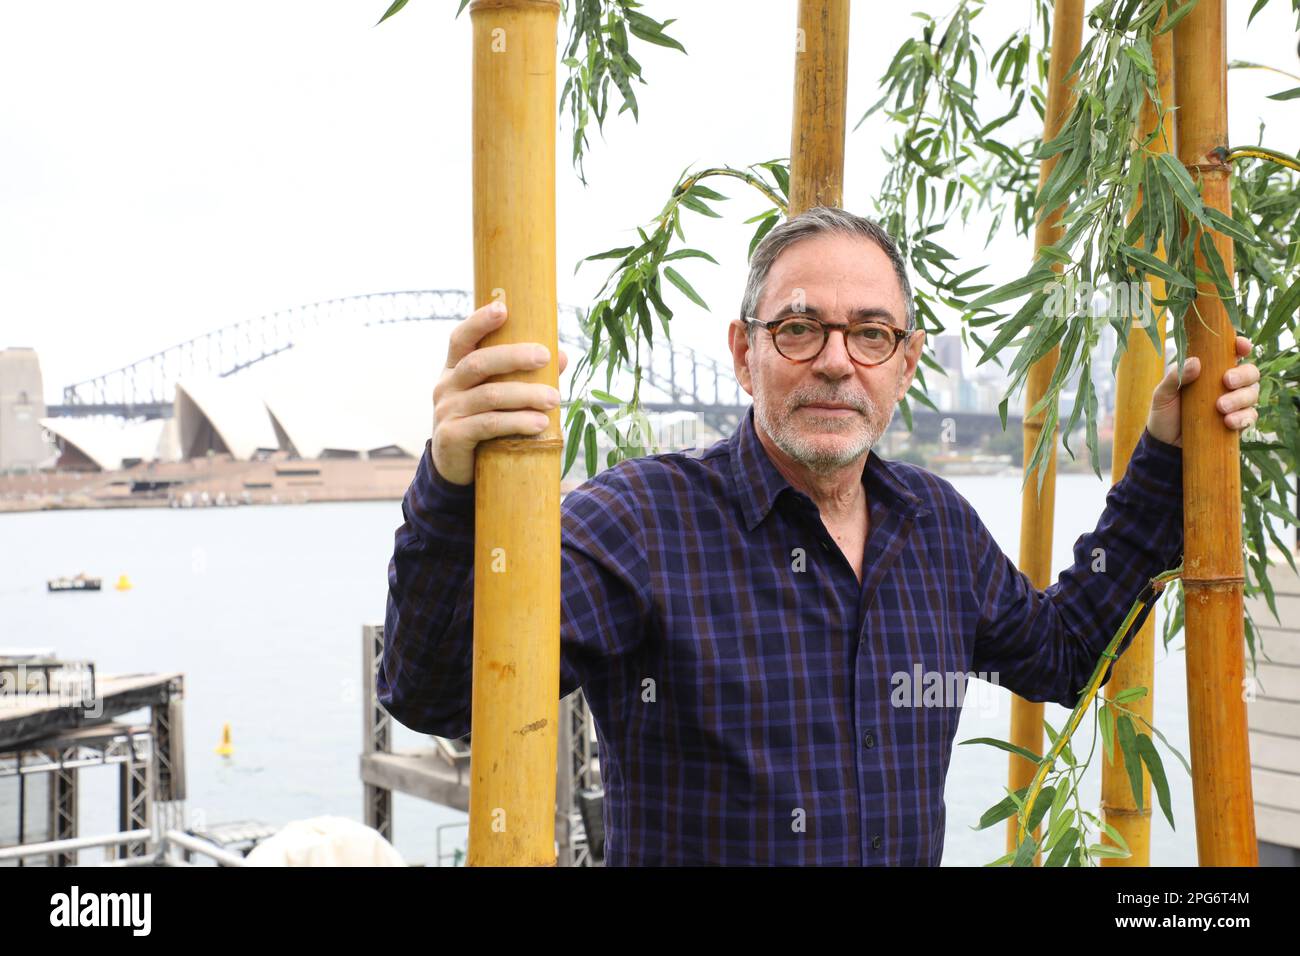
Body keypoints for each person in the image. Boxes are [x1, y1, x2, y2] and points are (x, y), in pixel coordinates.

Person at [380, 206, 1263, 866]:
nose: (837, 360)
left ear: (906, 363)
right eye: (801, 328)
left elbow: (1069, 652)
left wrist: (1165, 459)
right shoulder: (641, 522)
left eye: (871, 333)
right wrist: (453, 485)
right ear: (743, 351)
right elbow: (440, 696)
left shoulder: (936, 529)